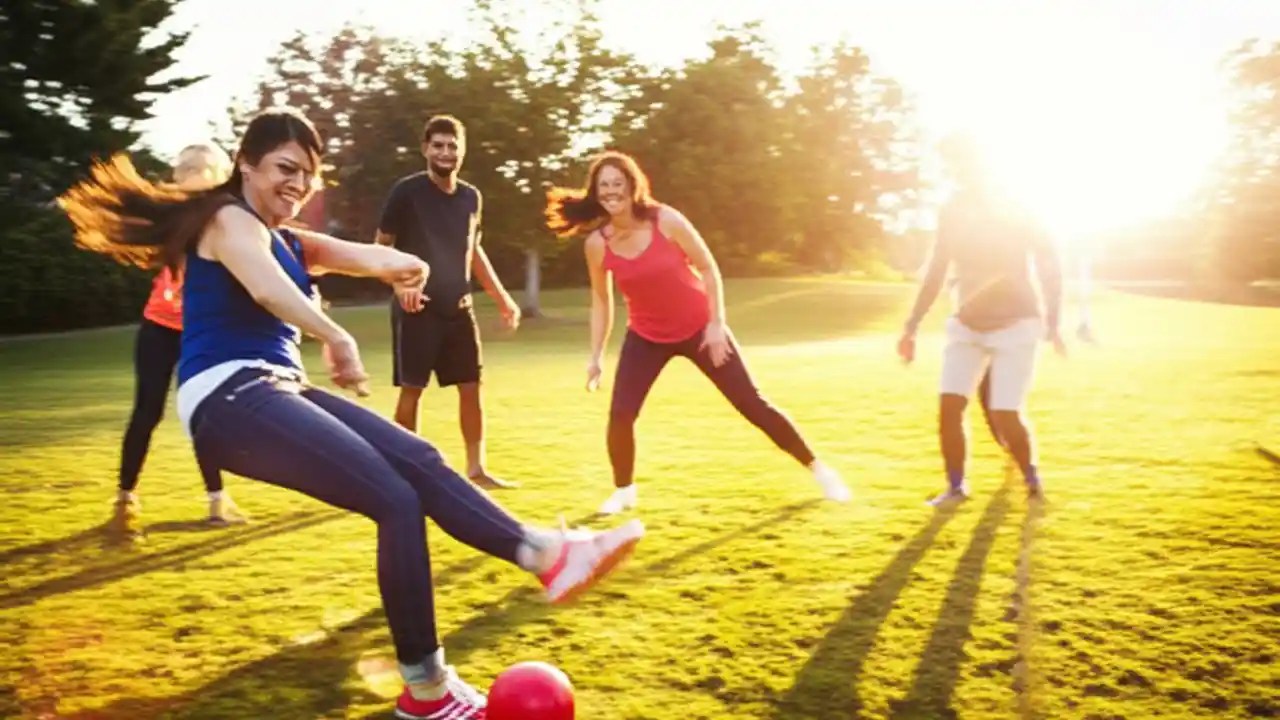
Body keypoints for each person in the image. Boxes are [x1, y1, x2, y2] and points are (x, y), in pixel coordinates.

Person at [59, 107, 644, 719]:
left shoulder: (291, 240)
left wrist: (408, 267)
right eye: (286, 168)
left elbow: (365, 256)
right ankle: (428, 689)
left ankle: (548, 556)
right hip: (227, 395)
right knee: (393, 498)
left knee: (417, 458)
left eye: (308, 175)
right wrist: (333, 335)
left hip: (274, 388)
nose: (298, 184)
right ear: (246, 164)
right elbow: (266, 289)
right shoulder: (226, 219)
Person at [544, 150, 851, 515]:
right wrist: (595, 356)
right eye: (604, 185)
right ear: (595, 191)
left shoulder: (665, 220)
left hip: (700, 330)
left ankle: (821, 471)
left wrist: (717, 324)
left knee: (752, 404)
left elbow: (707, 267)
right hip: (646, 337)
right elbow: (601, 301)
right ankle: (623, 491)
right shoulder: (598, 244)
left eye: (618, 184)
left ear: (632, 186)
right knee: (621, 415)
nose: (611, 191)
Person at [896, 133, 1065, 506]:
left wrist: (1053, 320)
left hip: (1016, 324)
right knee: (949, 407)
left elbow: (1049, 261)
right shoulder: (953, 209)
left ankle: (1031, 477)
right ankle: (955, 488)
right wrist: (911, 324)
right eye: (951, 165)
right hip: (967, 325)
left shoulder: (1016, 206)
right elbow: (938, 268)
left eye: (960, 163)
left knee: (1005, 413)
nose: (955, 172)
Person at [376, 114, 522, 491]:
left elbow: (473, 250)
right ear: (426, 149)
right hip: (416, 307)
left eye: (453, 146)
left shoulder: (471, 197)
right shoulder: (406, 192)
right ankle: (403, 471)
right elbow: (379, 249)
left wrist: (501, 297)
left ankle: (476, 469)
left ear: (462, 151)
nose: (446, 152)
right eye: (438, 145)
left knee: (471, 386)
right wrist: (399, 287)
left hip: (459, 309)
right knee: (412, 390)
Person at [112, 143, 245, 537]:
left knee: (202, 414)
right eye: (188, 175)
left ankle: (218, 500)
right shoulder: (173, 219)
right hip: (158, 327)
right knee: (146, 412)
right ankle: (124, 498)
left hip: (201, 329)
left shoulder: (225, 219)